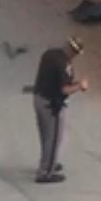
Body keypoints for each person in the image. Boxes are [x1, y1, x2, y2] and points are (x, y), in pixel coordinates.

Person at [32, 37, 88, 183]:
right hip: (52, 106)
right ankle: (45, 172)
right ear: (74, 52)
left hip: (39, 98)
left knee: (46, 136)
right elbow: (64, 89)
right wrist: (80, 86)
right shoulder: (64, 66)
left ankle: (49, 161)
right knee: (54, 139)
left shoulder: (49, 54)